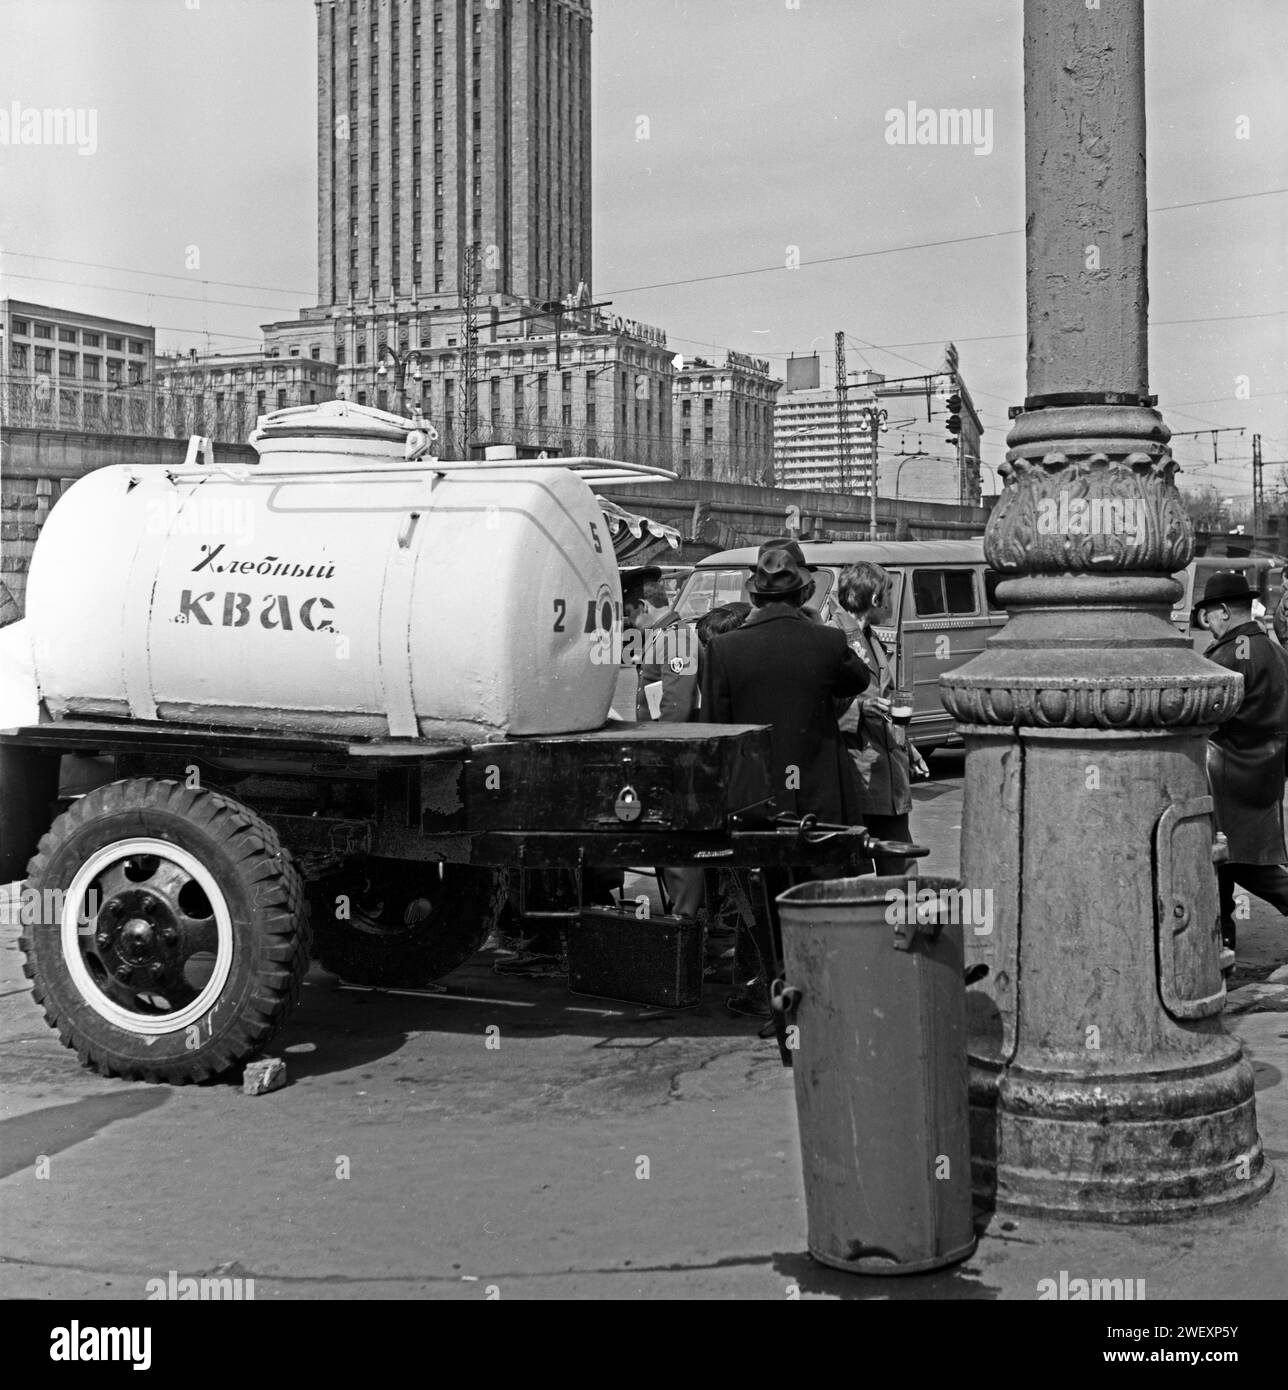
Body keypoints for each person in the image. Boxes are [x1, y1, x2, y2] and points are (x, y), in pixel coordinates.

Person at [701, 548, 872, 1017]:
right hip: (820, 791)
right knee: (822, 887)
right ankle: (826, 984)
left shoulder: (723, 648)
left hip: (755, 796)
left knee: (762, 888)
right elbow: (858, 681)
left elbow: (713, 728)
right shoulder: (828, 641)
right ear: (802, 593)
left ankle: (762, 987)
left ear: (754, 594)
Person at [1194, 570, 1288, 958]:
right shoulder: (1275, 650)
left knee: (1244, 864)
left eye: (1209, 615)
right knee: (1223, 863)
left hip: (1227, 772)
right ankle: (1222, 940)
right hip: (1265, 771)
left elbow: (1208, 715)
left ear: (1221, 611)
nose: (1208, 624)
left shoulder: (1228, 655)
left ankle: (1222, 940)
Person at [835, 561, 929, 876]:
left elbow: (886, 699)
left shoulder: (871, 637)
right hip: (858, 770)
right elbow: (818, 704)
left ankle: (903, 922)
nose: (890, 603)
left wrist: (908, 745)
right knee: (859, 868)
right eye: (888, 594)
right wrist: (858, 711)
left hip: (886, 769)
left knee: (901, 862)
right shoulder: (833, 636)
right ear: (875, 598)